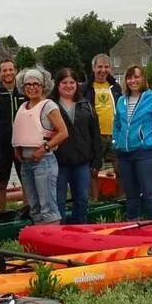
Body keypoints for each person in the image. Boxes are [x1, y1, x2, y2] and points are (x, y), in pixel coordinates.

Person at [13, 67, 68, 225]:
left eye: (36, 84)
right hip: (26, 163)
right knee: (34, 207)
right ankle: (39, 235)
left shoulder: (49, 106)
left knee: (48, 207)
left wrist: (45, 148)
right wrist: (17, 148)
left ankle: (53, 235)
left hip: (44, 161)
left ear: (43, 86)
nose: (32, 87)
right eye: (28, 84)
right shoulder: (23, 107)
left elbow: (63, 132)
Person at [112, 65, 152, 220]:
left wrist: (150, 142)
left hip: (146, 154)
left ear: (143, 78)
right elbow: (117, 124)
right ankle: (133, 224)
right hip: (125, 154)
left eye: (136, 77)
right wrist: (116, 141)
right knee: (131, 195)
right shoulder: (122, 100)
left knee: (150, 193)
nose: (133, 81)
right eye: (129, 78)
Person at [50, 67, 102, 224]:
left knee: (82, 199)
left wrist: (97, 160)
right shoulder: (50, 105)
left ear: (76, 84)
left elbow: (95, 134)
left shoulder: (86, 105)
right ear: (57, 85)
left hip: (82, 161)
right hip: (58, 162)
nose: (68, 86)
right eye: (64, 82)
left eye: (72, 82)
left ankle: (79, 228)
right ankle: (59, 230)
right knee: (58, 200)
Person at [84, 53, 123, 202]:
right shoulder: (85, 88)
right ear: (93, 68)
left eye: (106, 67)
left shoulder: (116, 87)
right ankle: (94, 201)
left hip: (114, 134)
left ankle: (121, 199)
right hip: (95, 136)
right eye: (99, 67)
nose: (103, 70)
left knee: (120, 169)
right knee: (93, 171)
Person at [0, 59, 26, 211]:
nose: (8, 73)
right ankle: (0, 213)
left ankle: (28, 211)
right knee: (0, 183)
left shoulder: (24, 92)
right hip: (1, 146)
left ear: (15, 71)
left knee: (26, 181)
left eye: (10, 69)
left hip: (22, 144)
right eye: (4, 70)